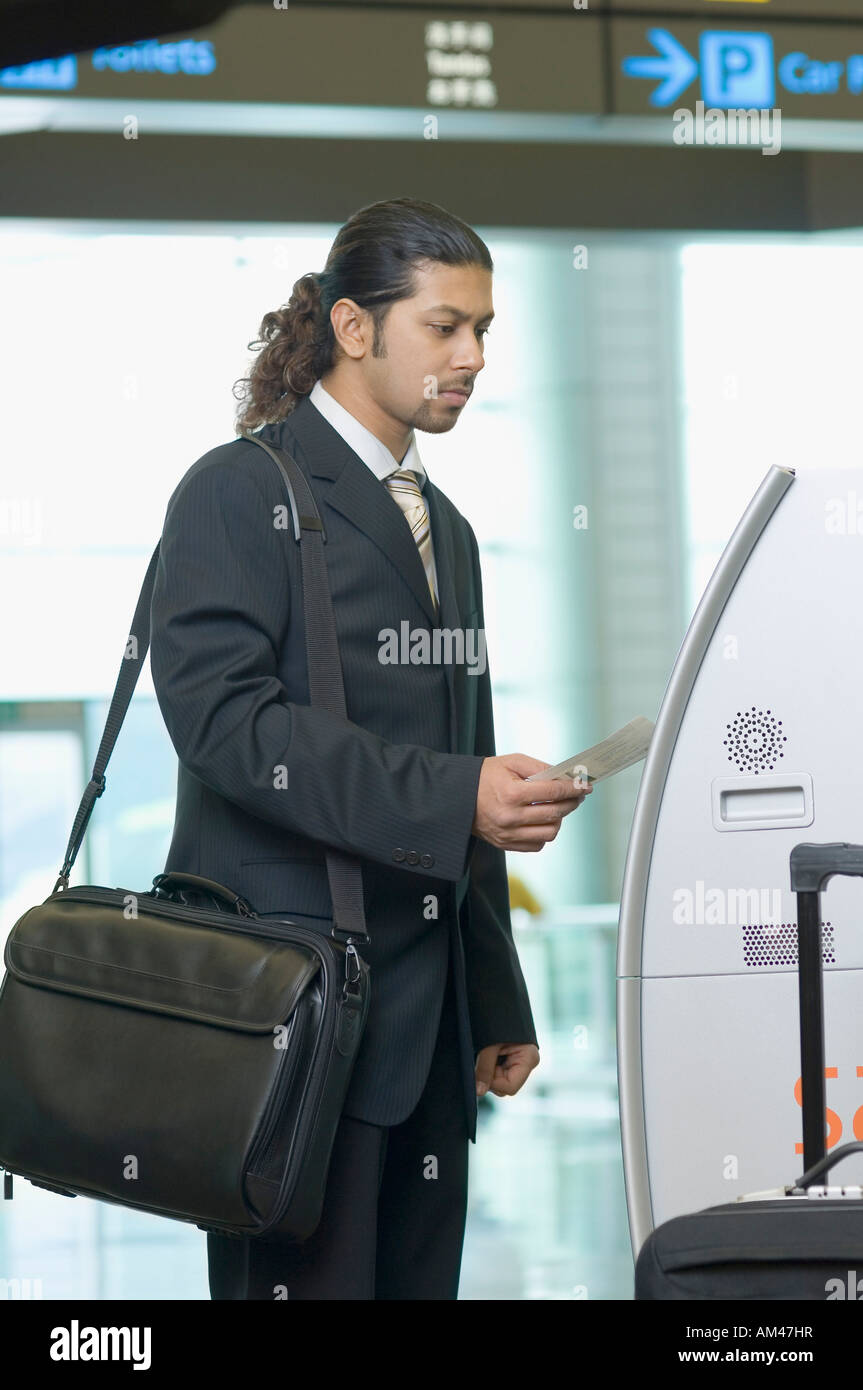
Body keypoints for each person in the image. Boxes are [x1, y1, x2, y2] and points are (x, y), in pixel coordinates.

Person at [149, 196, 592, 1300]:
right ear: (353, 327)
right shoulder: (236, 490)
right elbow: (225, 726)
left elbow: (464, 746)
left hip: (427, 1035)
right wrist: (457, 795)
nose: (472, 357)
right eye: (444, 327)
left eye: (482, 330)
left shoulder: (450, 531)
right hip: (292, 1030)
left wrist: (493, 997)